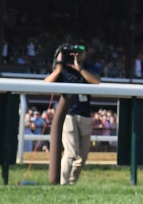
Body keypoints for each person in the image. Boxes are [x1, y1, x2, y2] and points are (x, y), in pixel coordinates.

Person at [43, 44, 102, 185]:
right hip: (68, 114)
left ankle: (72, 183)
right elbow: (46, 83)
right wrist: (58, 66)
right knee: (71, 152)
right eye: (74, 52)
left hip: (85, 114)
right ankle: (63, 183)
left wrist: (80, 69)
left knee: (82, 156)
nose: (77, 55)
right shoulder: (63, 69)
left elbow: (96, 81)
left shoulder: (89, 67)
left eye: (80, 52)